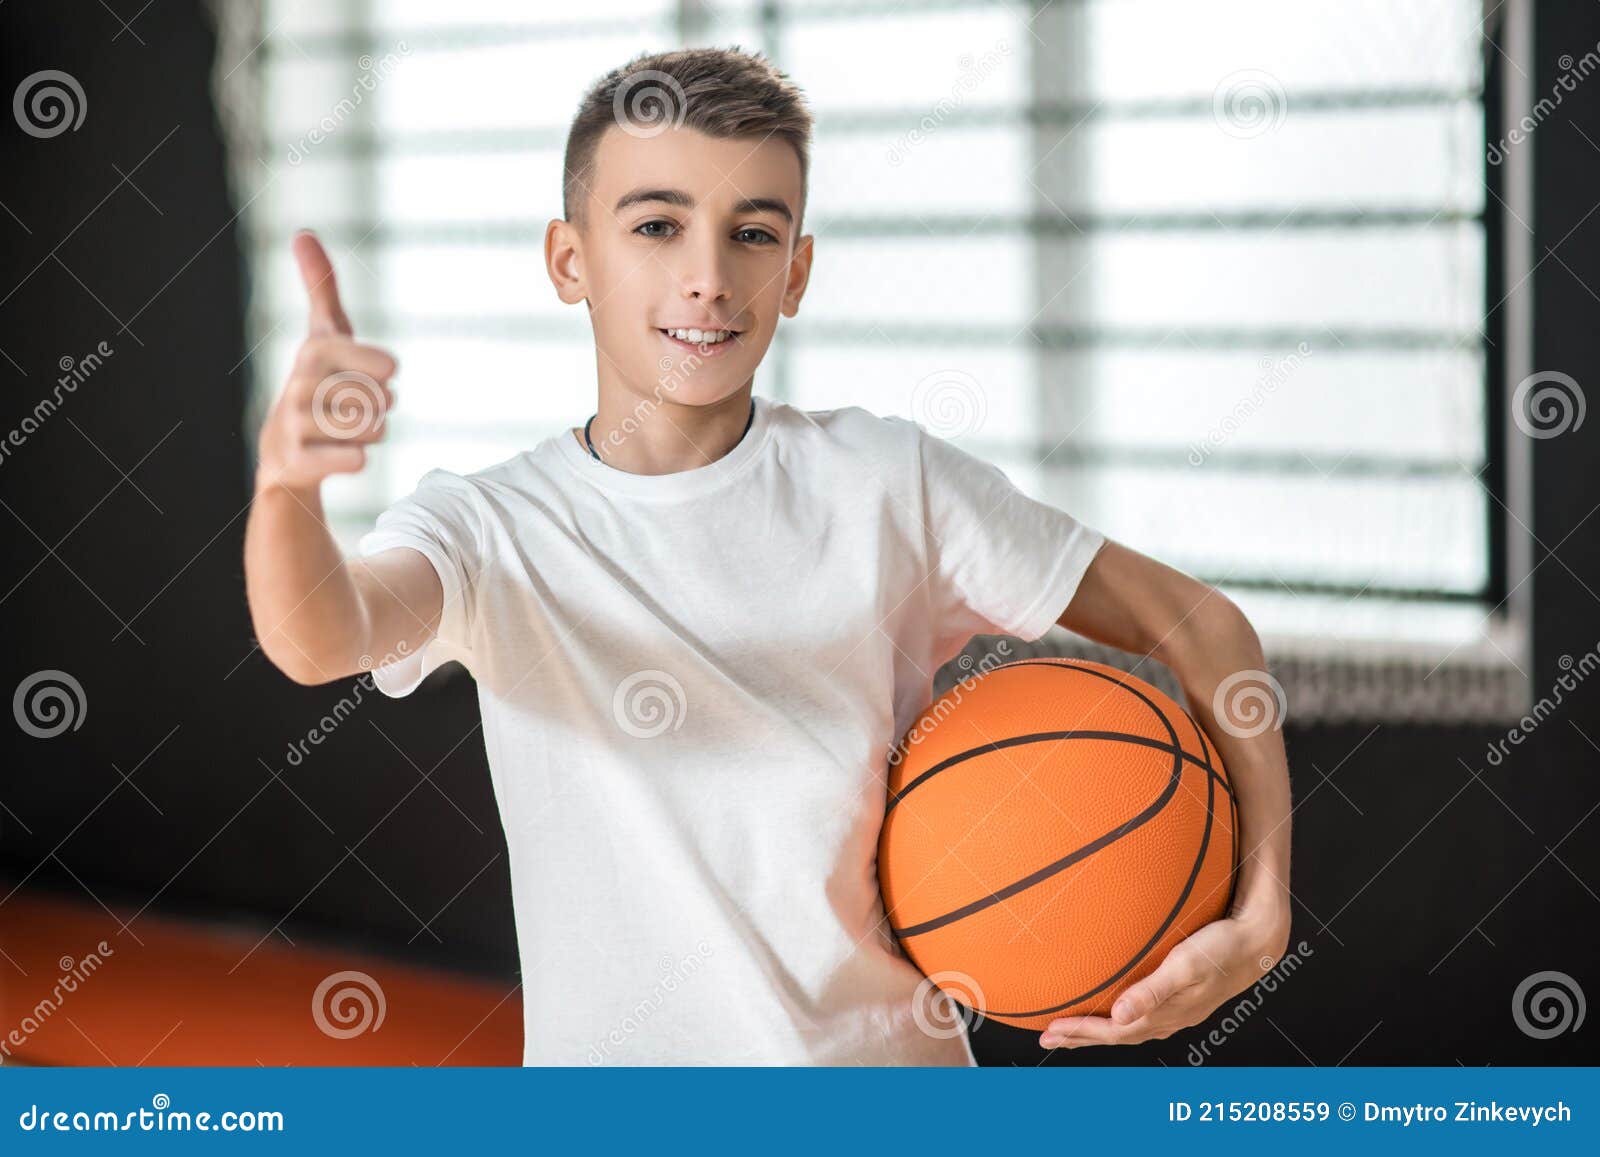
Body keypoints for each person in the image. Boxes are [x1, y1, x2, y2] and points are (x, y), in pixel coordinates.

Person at [243, 46, 1291, 1066]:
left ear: (795, 272)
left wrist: (1262, 903)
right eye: (656, 225)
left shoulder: (888, 478)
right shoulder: (489, 526)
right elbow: (316, 634)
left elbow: (1200, 622)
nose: (707, 276)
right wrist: (288, 489)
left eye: (752, 232)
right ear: (571, 259)